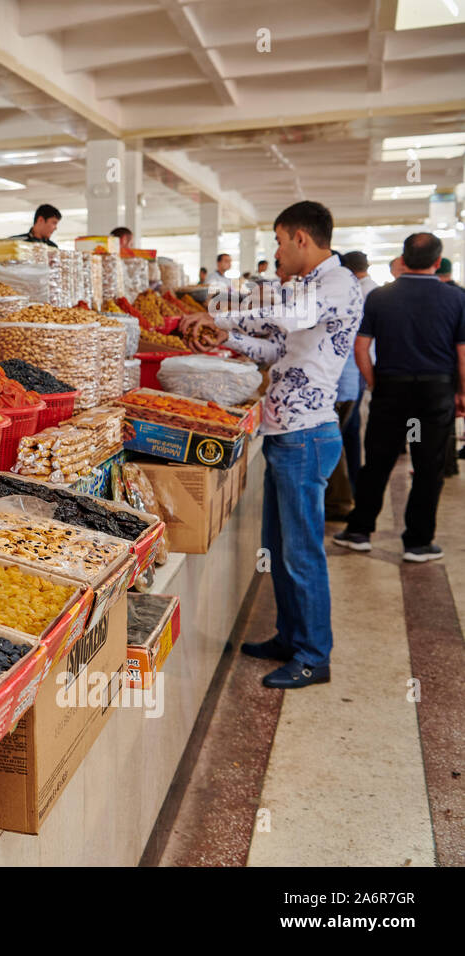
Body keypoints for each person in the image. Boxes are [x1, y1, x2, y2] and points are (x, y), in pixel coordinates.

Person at [189, 200, 363, 689]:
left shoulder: (336, 284)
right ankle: (289, 637)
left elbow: (286, 317)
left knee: (302, 552)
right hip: (286, 433)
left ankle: (313, 655)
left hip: (308, 436)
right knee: (280, 546)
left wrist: (219, 315)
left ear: (301, 238)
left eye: (280, 242)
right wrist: (226, 342)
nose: (277, 253)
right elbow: (275, 347)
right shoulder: (307, 288)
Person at [334, 233, 465, 562]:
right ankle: (418, 543)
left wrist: (376, 383)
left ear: (403, 259)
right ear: (438, 261)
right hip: (435, 391)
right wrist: (462, 392)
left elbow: (361, 348)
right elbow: (462, 352)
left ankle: (360, 531)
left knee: (377, 460)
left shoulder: (380, 296)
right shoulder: (456, 298)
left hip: (392, 388)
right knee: (428, 465)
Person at [325, 251, 378, 518]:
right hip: (352, 379)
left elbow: (360, 347)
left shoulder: (355, 293)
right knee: (349, 439)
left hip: (347, 379)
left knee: (340, 443)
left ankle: (341, 502)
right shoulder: (371, 291)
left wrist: (369, 381)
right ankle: (352, 492)